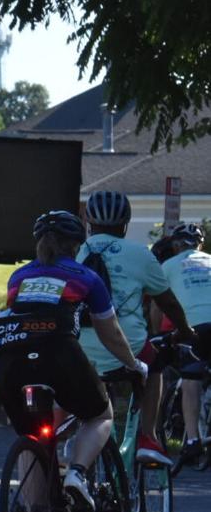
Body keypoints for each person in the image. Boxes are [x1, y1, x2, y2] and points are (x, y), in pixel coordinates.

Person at [0, 210, 145, 512]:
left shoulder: (19, 276)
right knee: (99, 414)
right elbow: (110, 333)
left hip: (8, 360)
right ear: (76, 246)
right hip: (58, 352)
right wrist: (134, 364)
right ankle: (75, 474)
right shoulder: (86, 276)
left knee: (32, 438)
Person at [77, 190, 192, 465]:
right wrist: (187, 333)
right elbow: (169, 304)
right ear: (125, 224)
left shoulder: (75, 252)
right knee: (154, 367)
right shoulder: (140, 254)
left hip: (80, 349)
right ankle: (148, 437)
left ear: (89, 222)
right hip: (127, 348)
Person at [158, 222, 211, 461]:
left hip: (195, 327)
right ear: (200, 244)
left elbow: (159, 306)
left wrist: (156, 332)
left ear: (176, 245)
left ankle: (192, 440)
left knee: (191, 376)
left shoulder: (168, 265)